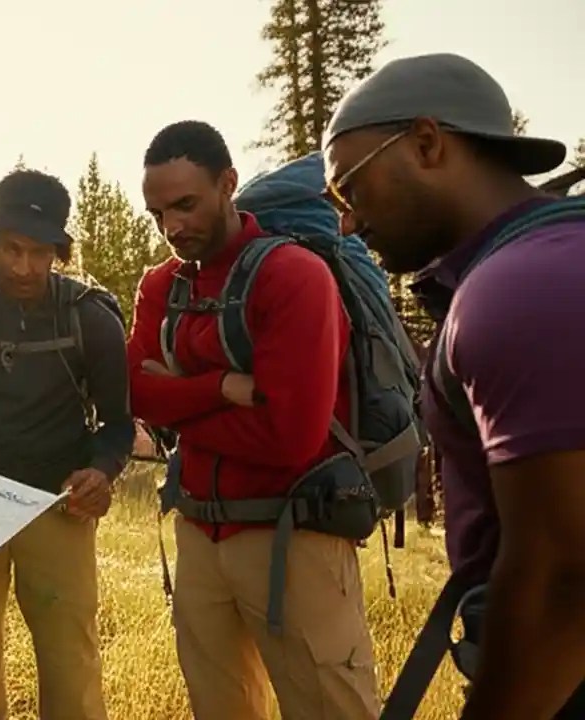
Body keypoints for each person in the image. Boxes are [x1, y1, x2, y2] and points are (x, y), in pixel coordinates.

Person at [323, 53, 585, 720]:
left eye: (350, 189)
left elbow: (565, 578)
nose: (347, 222)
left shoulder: (521, 289)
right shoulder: (547, 265)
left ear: (427, 143)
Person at [128, 120, 379, 719]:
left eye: (185, 204)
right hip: (198, 533)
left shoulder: (293, 276)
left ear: (228, 184)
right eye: (156, 213)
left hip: (295, 537)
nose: (171, 227)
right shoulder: (162, 286)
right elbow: (135, 393)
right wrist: (222, 387)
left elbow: (292, 438)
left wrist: (181, 402)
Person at [0, 168, 132, 720]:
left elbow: (118, 424)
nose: (24, 267)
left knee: (71, 662)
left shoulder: (90, 317)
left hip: (59, 504)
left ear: (60, 249)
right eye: (11, 249)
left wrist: (103, 472)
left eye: (41, 252)